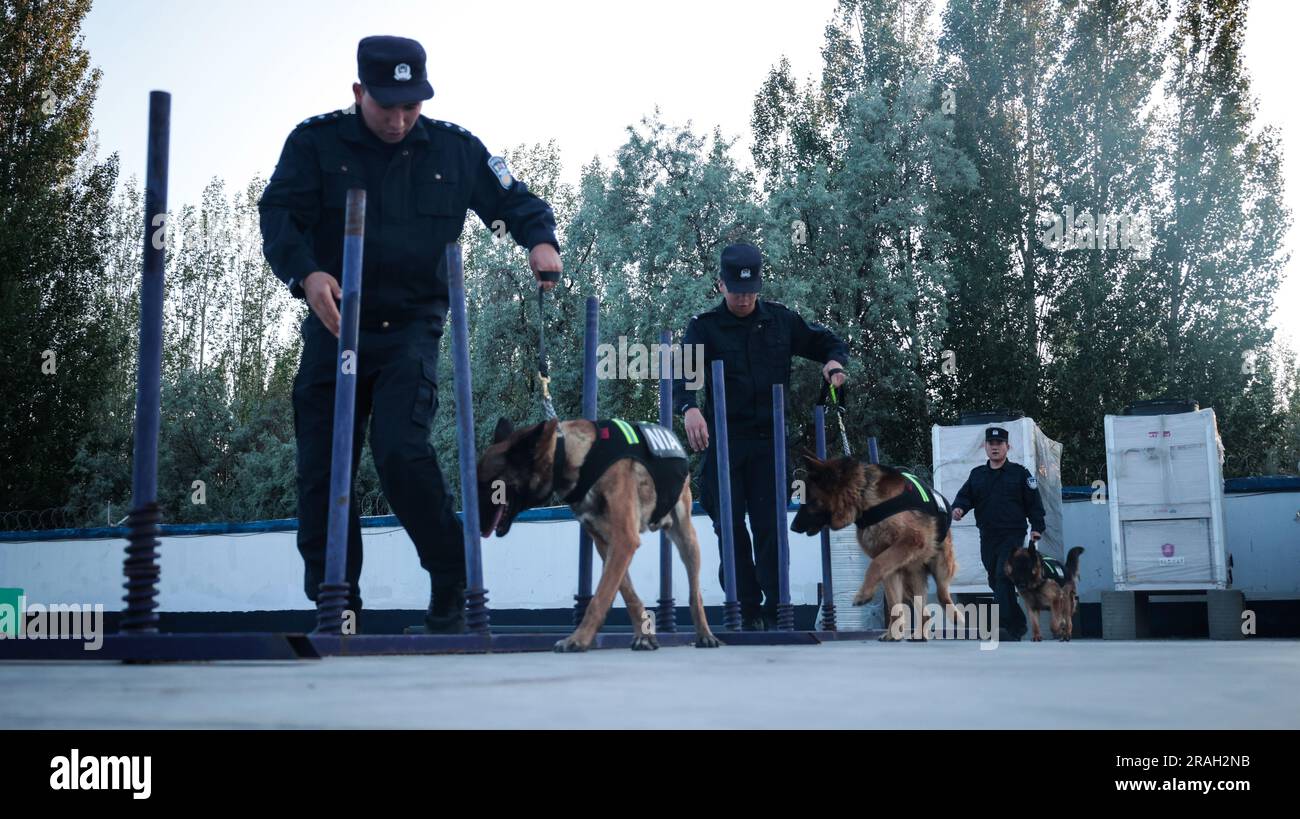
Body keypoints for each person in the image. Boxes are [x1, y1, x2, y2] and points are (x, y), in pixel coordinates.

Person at [258, 35, 562, 633]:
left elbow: (514, 199)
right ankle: (335, 603)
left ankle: (451, 578)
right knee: (324, 466)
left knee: (400, 449)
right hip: (334, 323)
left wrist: (540, 240)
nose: (398, 120)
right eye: (385, 106)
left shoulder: (455, 150)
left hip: (410, 330)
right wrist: (307, 271)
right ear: (357, 93)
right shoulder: (315, 143)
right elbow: (278, 215)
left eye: (410, 107)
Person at [674, 243, 848, 630]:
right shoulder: (703, 326)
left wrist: (835, 362)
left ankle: (775, 611)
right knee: (730, 526)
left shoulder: (782, 321)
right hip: (724, 444)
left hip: (770, 444)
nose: (744, 298)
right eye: (736, 291)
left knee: (770, 527)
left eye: (751, 291)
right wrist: (689, 408)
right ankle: (745, 610)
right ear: (721, 284)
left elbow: (827, 342)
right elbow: (681, 376)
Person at [950, 426, 1046, 641]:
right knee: (994, 579)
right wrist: (958, 509)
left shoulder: (1020, 474)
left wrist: (1037, 527)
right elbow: (965, 497)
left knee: (1003, 577)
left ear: (1007, 447)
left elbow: (1034, 504)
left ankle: (1005, 627)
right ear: (985, 447)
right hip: (988, 535)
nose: (995, 448)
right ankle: (1018, 624)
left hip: (1013, 536)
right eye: (991, 445)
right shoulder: (977, 475)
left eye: (999, 444)